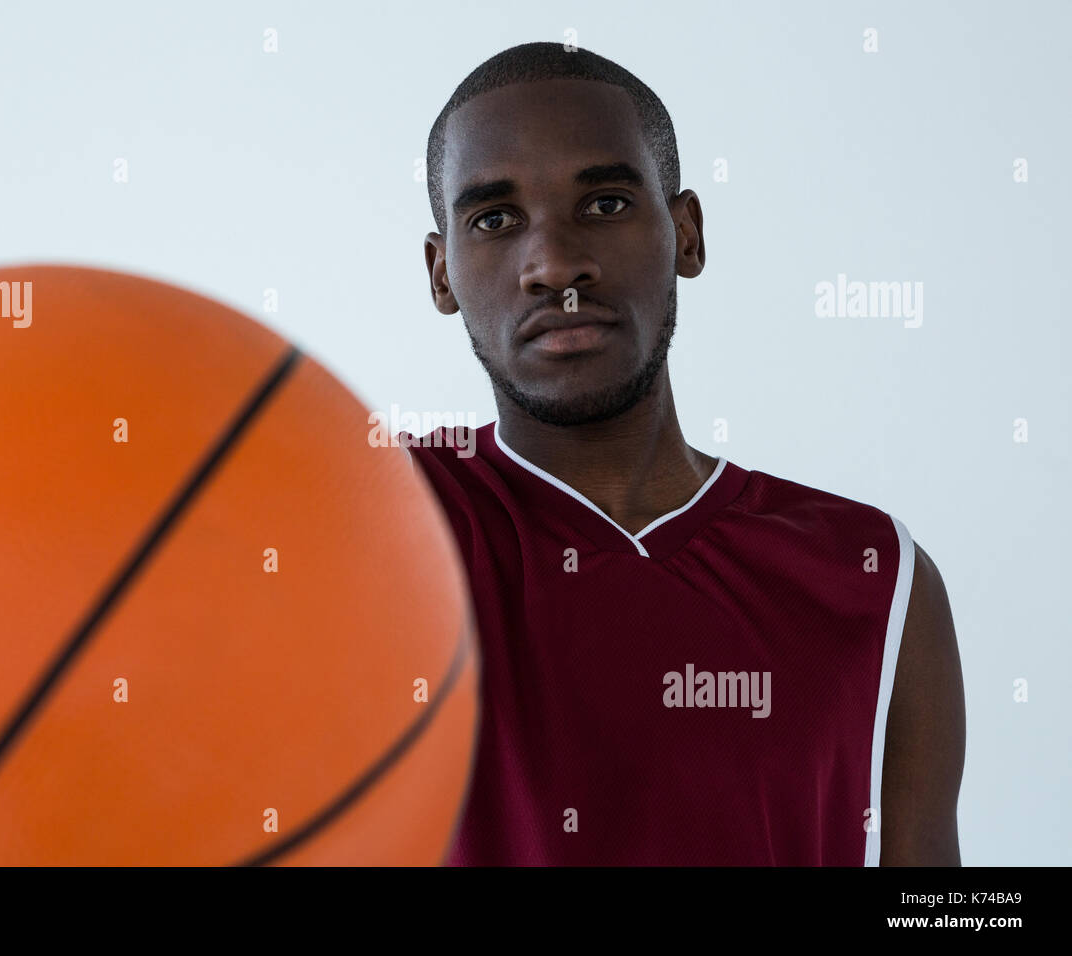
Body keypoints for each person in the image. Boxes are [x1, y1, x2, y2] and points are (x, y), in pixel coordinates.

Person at [401, 42, 965, 865]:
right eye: (494, 218)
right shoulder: (369, 523)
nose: (555, 265)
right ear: (441, 272)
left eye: (604, 203)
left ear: (688, 234)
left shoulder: (876, 576)